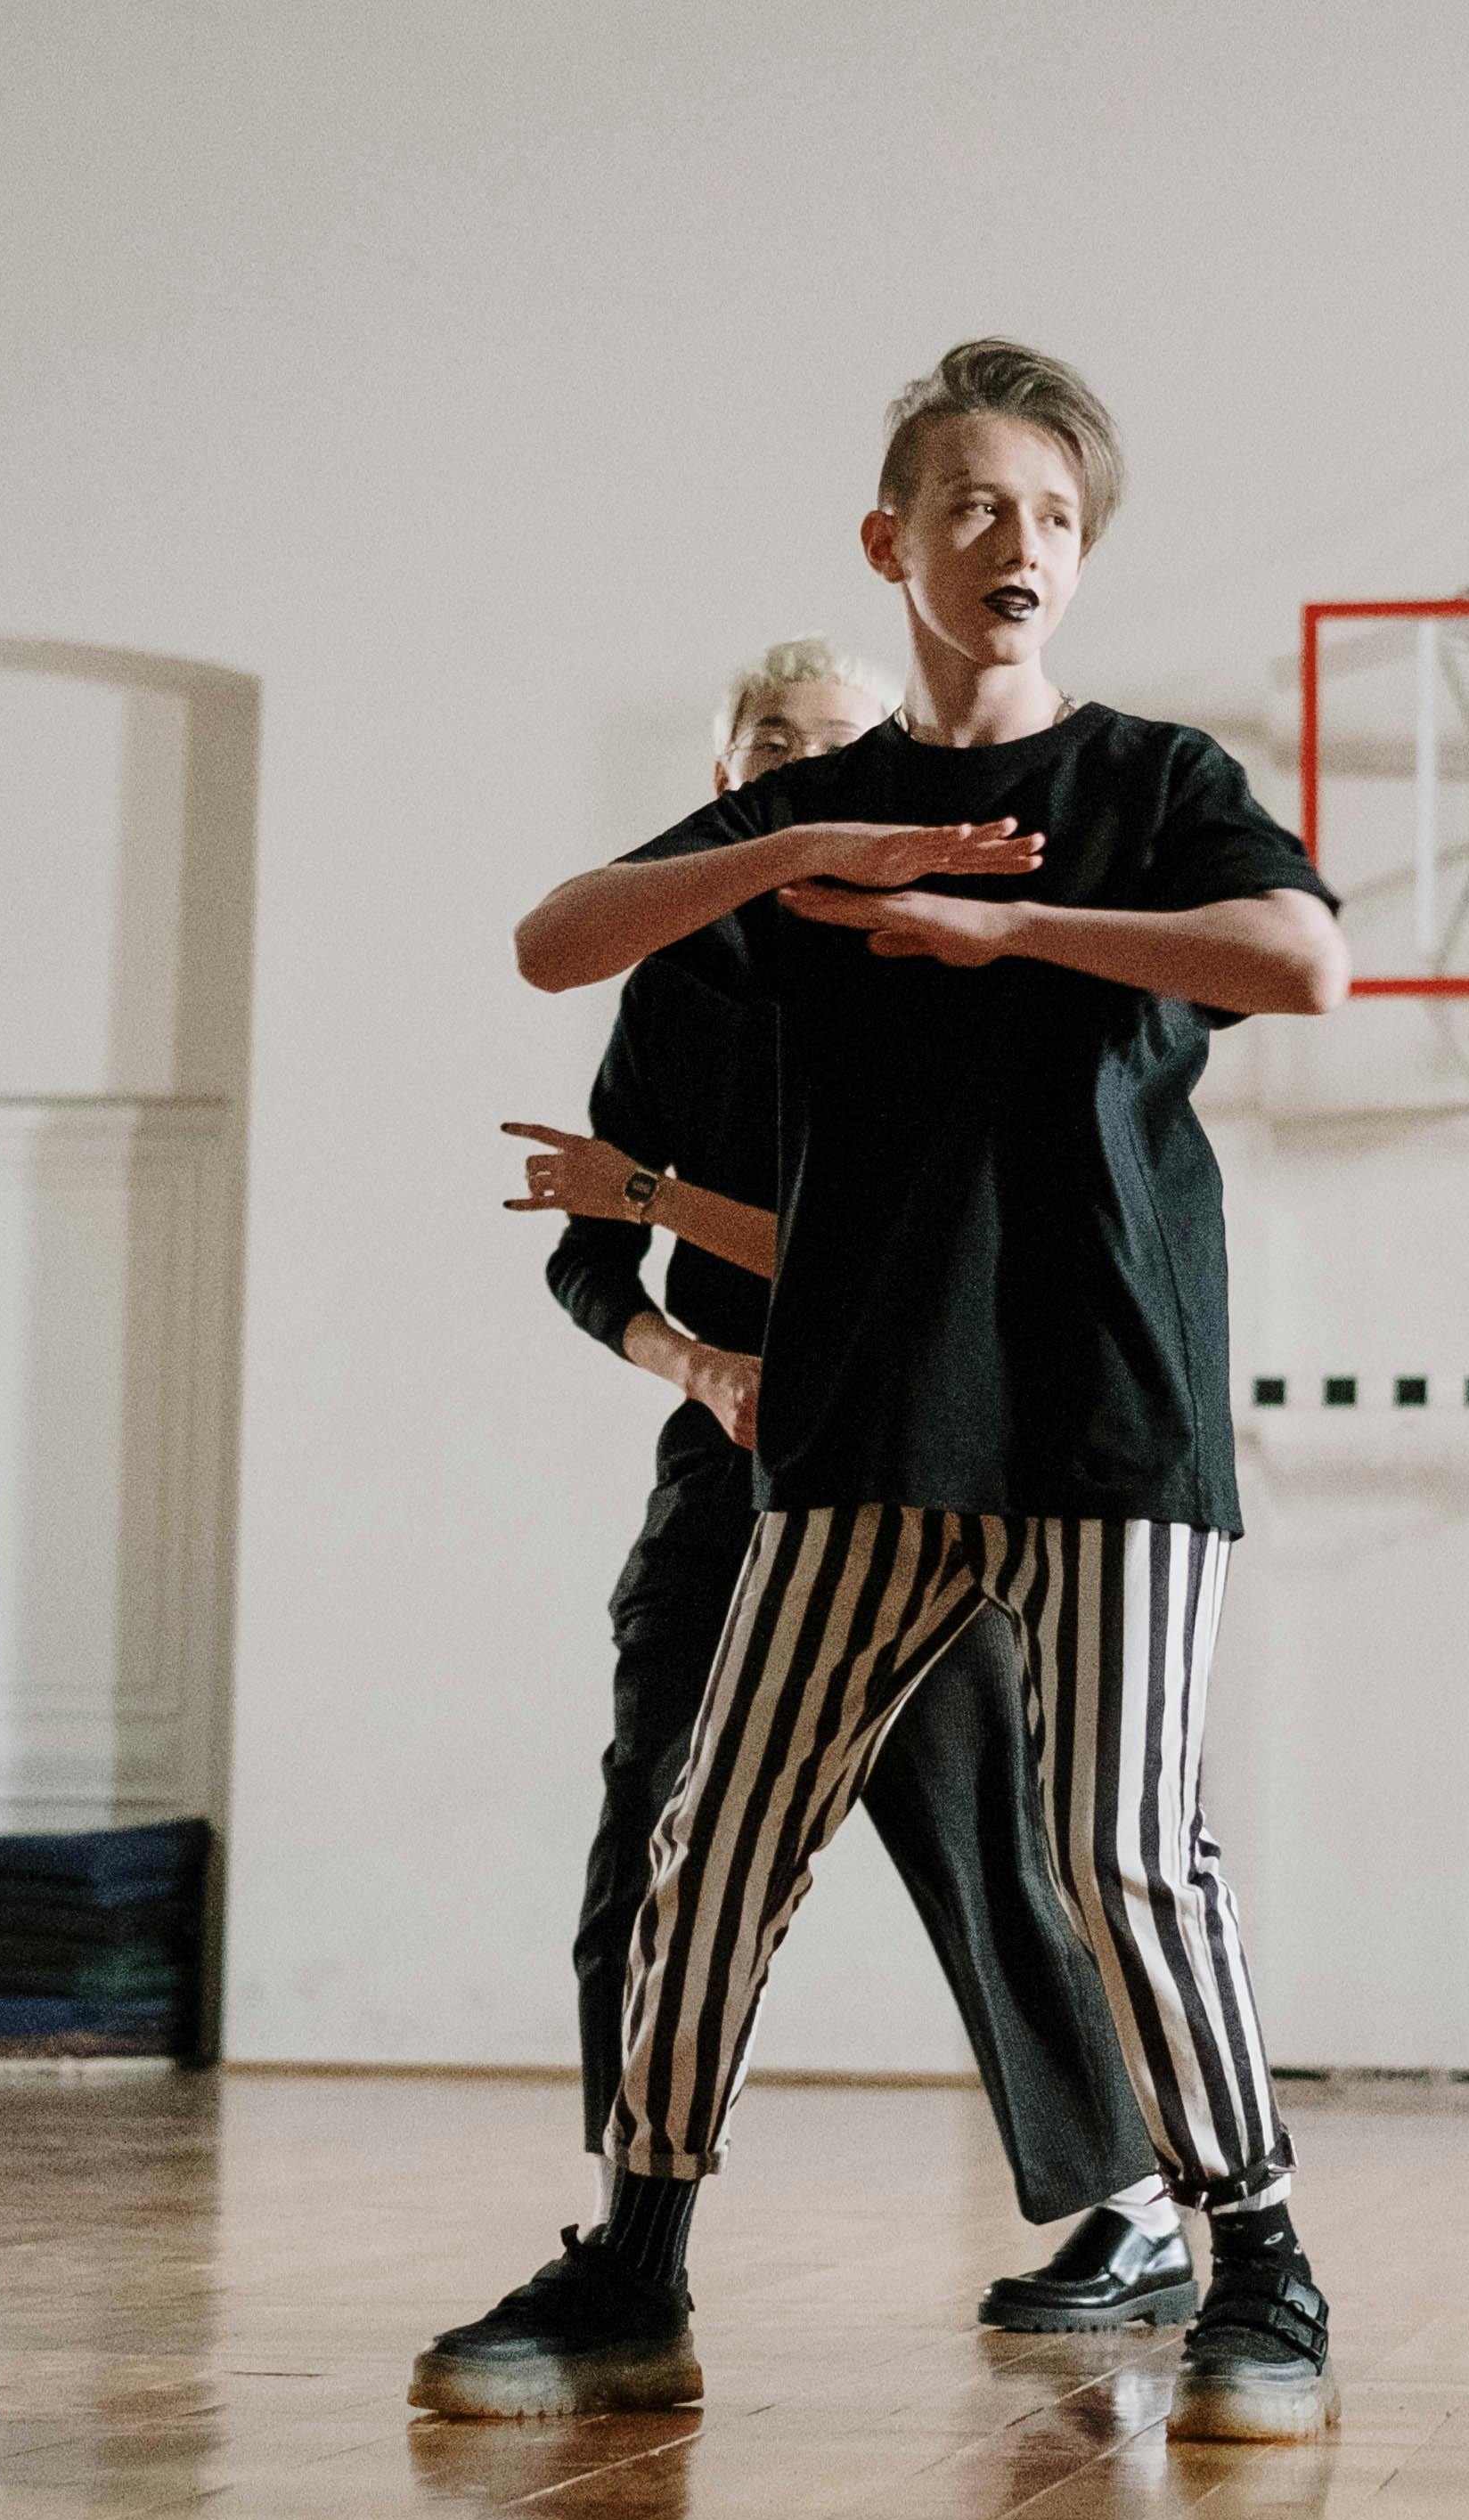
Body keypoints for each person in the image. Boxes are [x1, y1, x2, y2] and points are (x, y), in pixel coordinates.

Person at [415, 341, 1356, 2441]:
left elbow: (1301, 962)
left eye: (1046, 515)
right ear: (891, 544)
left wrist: (994, 934)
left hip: (1108, 1395)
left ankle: (1257, 2259)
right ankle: (635, 2258)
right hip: (863, 1409)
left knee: (1122, 1846)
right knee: (717, 1828)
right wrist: (780, 855)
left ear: (1078, 558)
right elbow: (551, 940)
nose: (1011, 542)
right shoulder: (792, 820)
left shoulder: (1147, 777)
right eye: (971, 509)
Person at [504, 637, 1192, 2333]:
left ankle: (1131, 2212)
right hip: (732, 1464)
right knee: (656, 1834)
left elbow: (851, 1243)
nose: (796, 772)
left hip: (913, 1452)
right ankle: (632, 2228)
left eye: (825, 747)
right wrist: (703, 1365)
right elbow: (590, 1259)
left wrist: (658, 1190)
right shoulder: (668, 978)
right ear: (736, 774)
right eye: (767, 747)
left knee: (997, 1847)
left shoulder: (916, 968)